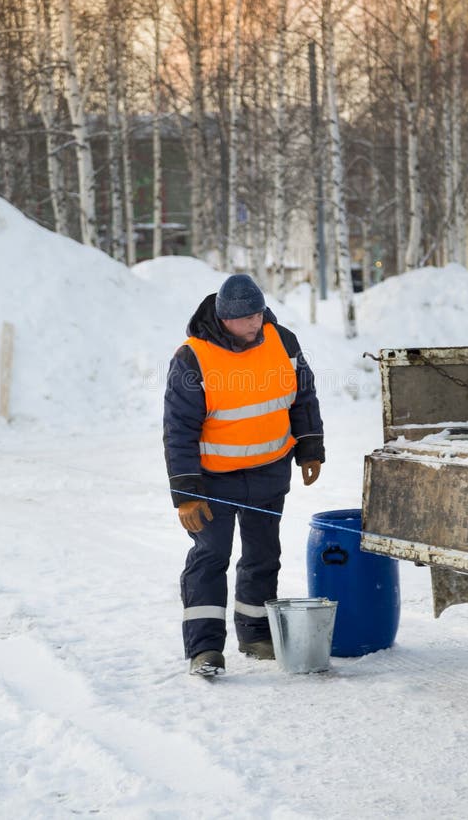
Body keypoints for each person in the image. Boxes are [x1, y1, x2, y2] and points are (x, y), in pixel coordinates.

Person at [164, 273, 325, 675]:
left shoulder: (281, 340)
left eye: (258, 314)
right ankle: (205, 649)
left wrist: (310, 447)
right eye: (244, 318)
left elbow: (302, 397)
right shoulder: (193, 358)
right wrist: (185, 494)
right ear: (222, 319)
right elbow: (178, 429)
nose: (255, 323)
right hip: (213, 481)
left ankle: (255, 635)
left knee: (263, 556)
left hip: (269, 472)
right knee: (211, 557)